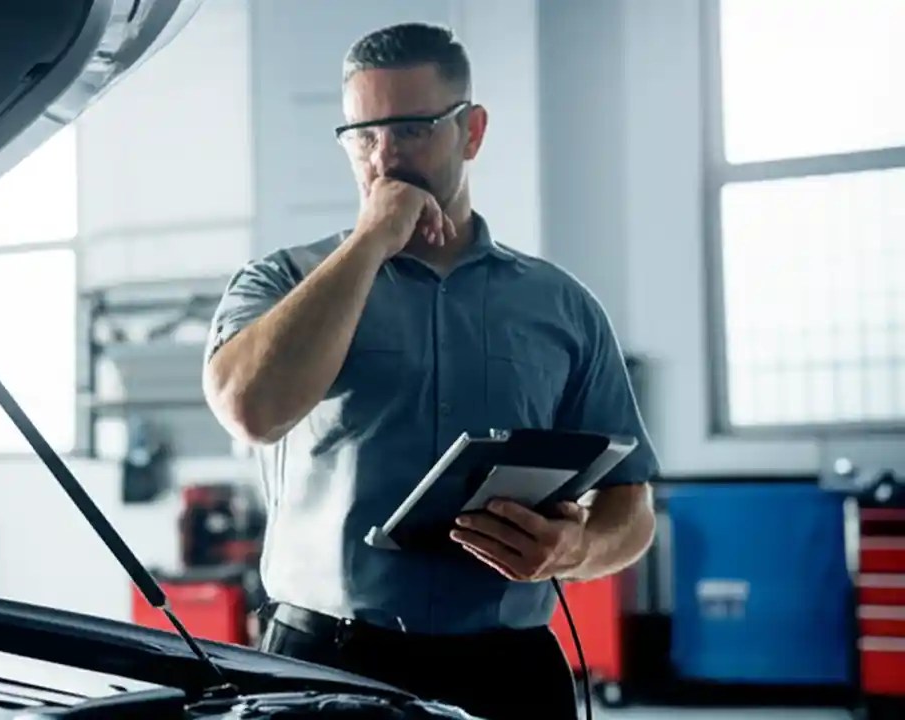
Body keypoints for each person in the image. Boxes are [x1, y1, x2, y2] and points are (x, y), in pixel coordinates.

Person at [201, 21, 660, 720]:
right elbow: (249, 409)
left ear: (471, 132)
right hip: (324, 664)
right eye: (363, 133)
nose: (384, 158)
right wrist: (372, 239)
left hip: (509, 670)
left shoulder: (561, 306)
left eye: (411, 128)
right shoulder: (281, 282)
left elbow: (632, 510)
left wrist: (573, 548)